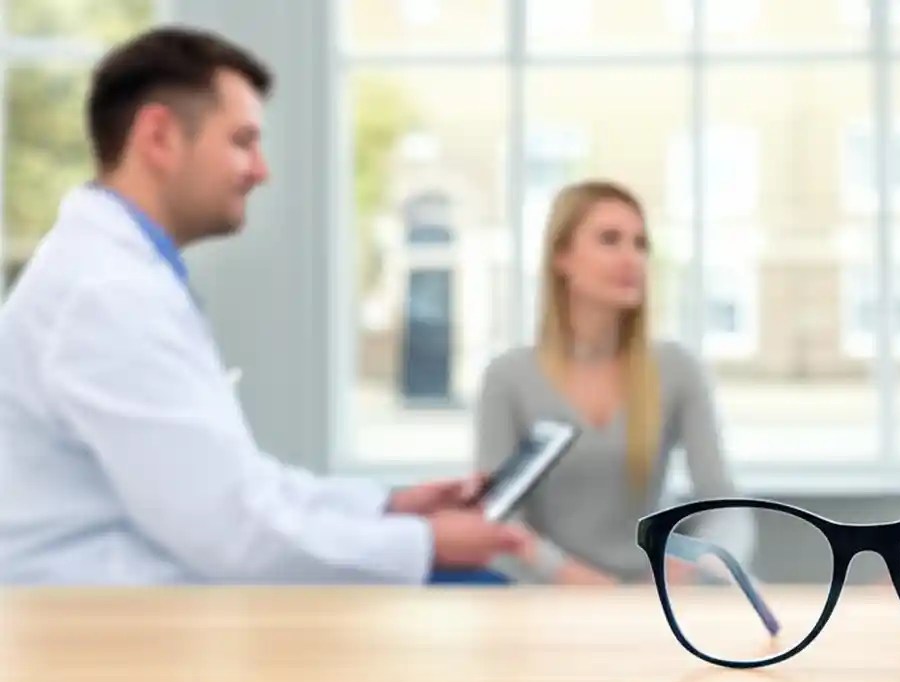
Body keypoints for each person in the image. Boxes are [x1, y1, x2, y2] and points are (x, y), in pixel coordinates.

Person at [0, 27, 527, 584]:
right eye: (242, 141)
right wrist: (424, 542)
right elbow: (235, 535)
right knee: (480, 592)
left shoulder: (121, 277)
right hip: (95, 627)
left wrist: (388, 506)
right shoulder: (105, 296)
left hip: (140, 608)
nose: (260, 170)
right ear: (158, 137)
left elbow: (239, 487)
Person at [473, 180, 753, 585]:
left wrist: (699, 565)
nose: (631, 258)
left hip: (657, 600)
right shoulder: (508, 377)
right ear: (562, 257)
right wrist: (574, 580)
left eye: (640, 244)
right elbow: (499, 519)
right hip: (548, 602)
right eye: (610, 240)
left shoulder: (677, 369)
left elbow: (724, 504)